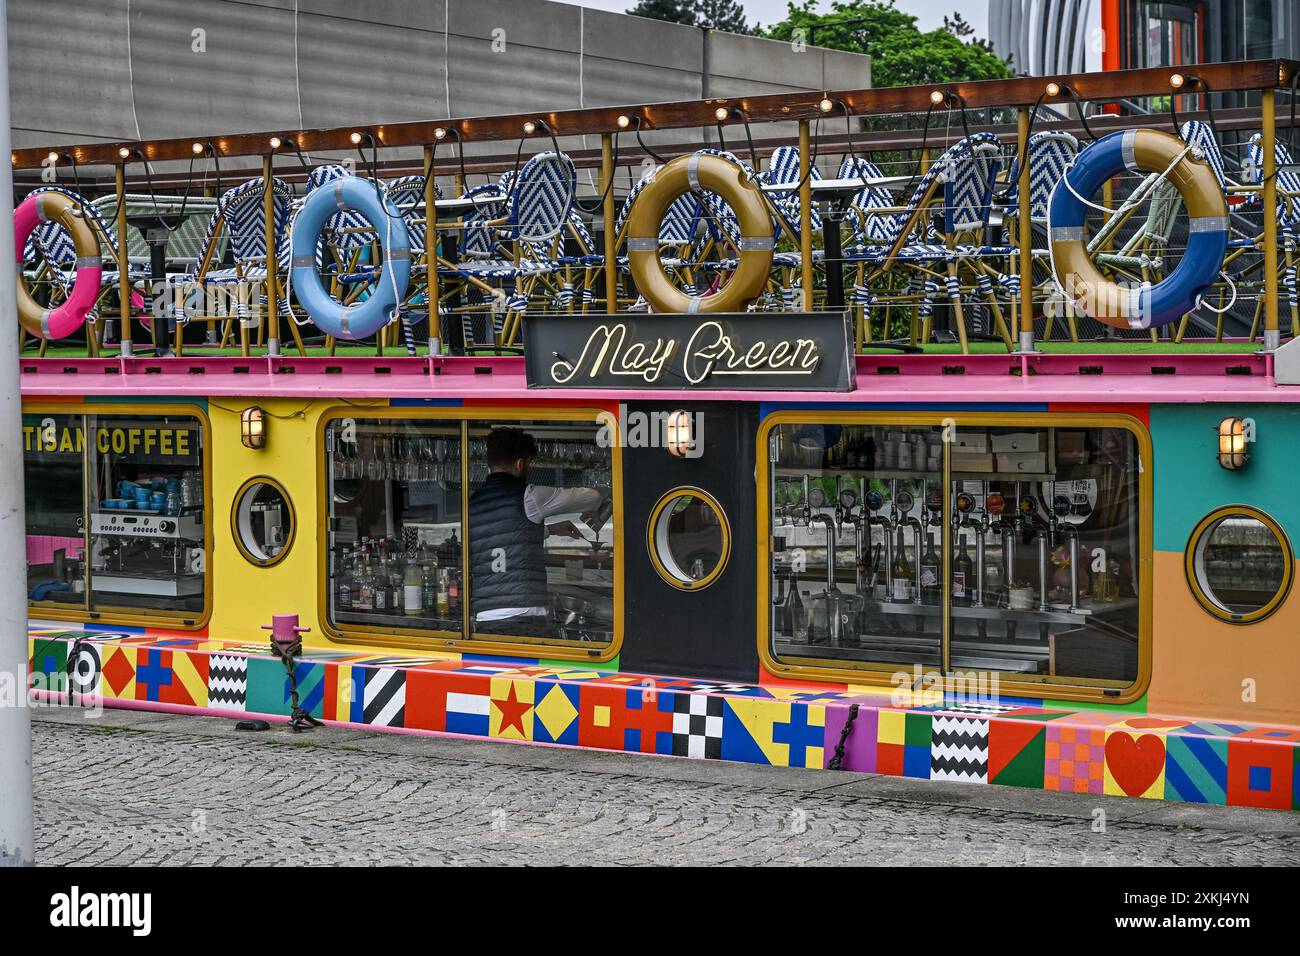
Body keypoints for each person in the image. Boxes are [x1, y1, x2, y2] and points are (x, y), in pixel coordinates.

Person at [468, 427, 605, 631]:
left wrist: (551, 530)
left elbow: (504, 536)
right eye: (529, 464)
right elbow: (591, 497)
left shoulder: (474, 502)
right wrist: (595, 507)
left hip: (486, 615)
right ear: (520, 464)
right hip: (524, 613)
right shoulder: (529, 496)